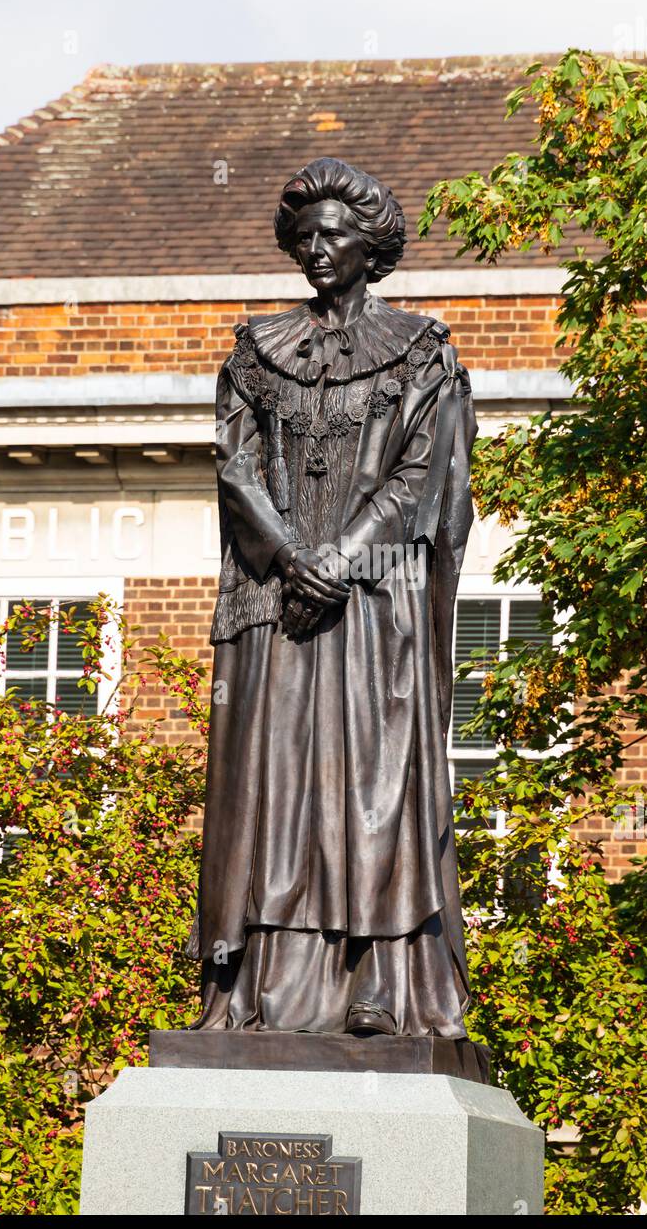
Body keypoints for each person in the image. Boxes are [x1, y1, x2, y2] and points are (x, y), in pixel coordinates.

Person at [187, 157, 477, 1039]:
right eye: (303, 235)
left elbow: (427, 475)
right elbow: (235, 468)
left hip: (373, 607)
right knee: (271, 788)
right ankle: (262, 990)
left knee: (370, 786)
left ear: (371, 247)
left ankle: (377, 981)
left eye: (333, 235)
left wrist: (341, 560)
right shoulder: (257, 352)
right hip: (278, 607)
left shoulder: (422, 352)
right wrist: (287, 556)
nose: (316, 250)